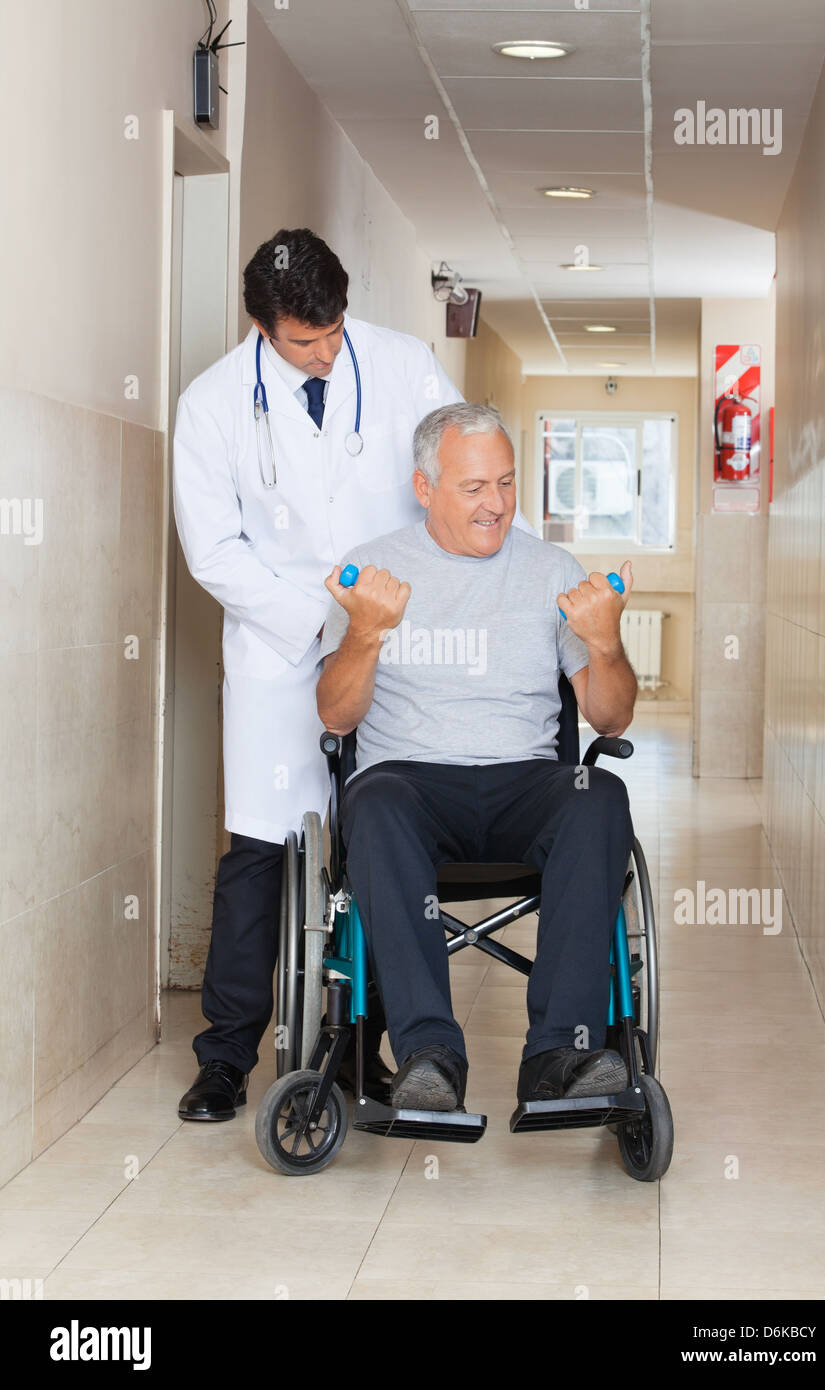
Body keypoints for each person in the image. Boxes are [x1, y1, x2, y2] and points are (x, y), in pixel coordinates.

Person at [173, 227, 465, 1120]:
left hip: (391, 642)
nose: (328, 348)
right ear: (262, 326)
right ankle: (226, 1058)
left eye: (335, 329)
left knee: (381, 841)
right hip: (278, 648)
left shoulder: (403, 361)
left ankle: (360, 1051)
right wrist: (314, 621)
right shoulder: (213, 402)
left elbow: (458, 459)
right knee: (261, 850)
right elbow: (212, 550)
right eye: (307, 340)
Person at [316, 402, 637, 1110]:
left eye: (506, 483)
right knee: (371, 800)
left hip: (526, 781)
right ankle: (430, 1054)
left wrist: (607, 643)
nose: (496, 505)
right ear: (425, 488)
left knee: (599, 795)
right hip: (411, 786)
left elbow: (611, 715)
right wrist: (365, 634)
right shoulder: (371, 571)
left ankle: (561, 1053)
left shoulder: (553, 569)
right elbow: (337, 716)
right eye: (474, 488)